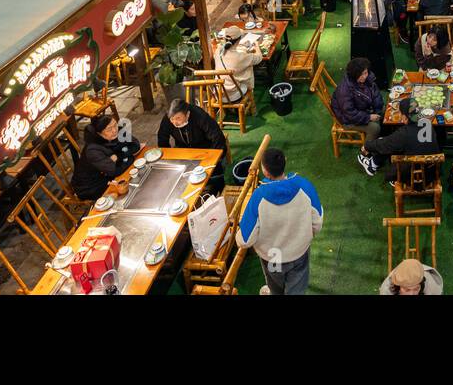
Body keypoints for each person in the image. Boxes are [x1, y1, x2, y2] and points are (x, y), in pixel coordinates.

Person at [237, 147, 323, 295]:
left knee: (275, 286)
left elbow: (244, 240)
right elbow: (318, 222)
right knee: (296, 288)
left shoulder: (258, 197)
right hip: (298, 252)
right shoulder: (304, 186)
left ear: (264, 171)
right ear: (285, 162)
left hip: (273, 256)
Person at [157, 98, 229, 193]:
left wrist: (212, 160)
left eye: (178, 118)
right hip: (183, 150)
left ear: (187, 114)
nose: (174, 122)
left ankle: (218, 190)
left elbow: (217, 136)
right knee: (180, 180)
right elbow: (162, 137)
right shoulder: (168, 118)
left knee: (214, 175)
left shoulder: (199, 115)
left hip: (205, 148)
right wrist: (168, 159)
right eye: (172, 119)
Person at [331, 58, 386, 177]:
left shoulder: (367, 78)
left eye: (366, 72)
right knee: (374, 128)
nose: (366, 75)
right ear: (356, 75)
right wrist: (369, 117)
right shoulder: (345, 90)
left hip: (364, 109)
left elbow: (376, 96)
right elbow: (349, 114)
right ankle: (364, 153)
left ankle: (379, 140)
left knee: (384, 111)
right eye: (363, 74)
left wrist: (377, 111)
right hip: (348, 119)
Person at [364, 97, 441, 174]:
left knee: (388, 146)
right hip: (433, 170)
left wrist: (366, 145)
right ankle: (374, 162)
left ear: (404, 117)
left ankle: (374, 165)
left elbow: (384, 145)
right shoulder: (427, 123)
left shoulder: (403, 133)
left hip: (415, 174)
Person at [72, 114, 140, 200]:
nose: (115, 130)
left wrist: (119, 156)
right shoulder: (93, 150)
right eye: (109, 129)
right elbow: (115, 171)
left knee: (134, 175)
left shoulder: (115, 131)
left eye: (115, 124)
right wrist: (130, 157)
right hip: (91, 185)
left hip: (107, 173)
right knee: (125, 190)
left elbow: (135, 145)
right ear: (99, 133)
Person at [214, 26, 263, 100]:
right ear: (239, 40)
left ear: (224, 39)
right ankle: (251, 89)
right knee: (249, 66)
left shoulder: (218, 51)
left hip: (218, 92)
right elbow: (259, 58)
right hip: (233, 94)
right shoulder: (240, 57)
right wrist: (256, 45)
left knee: (240, 67)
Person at [379, 258, 444, 295]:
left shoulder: (431, 285)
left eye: (416, 289)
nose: (412, 294)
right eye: (407, 290)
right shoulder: (386, 291)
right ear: (398, 287)